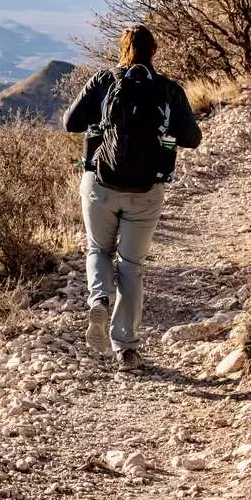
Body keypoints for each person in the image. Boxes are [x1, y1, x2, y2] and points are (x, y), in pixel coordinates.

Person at [63, 25, 202, 371]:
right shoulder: (168, 88)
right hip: (146, 190)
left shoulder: (103, 81)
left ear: (122, 51)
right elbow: (192, 138)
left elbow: (70, 123)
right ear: (154, 52)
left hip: (101, 185)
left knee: (98, 248)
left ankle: (99, 298)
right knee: (131, 265)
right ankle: (125, 348)